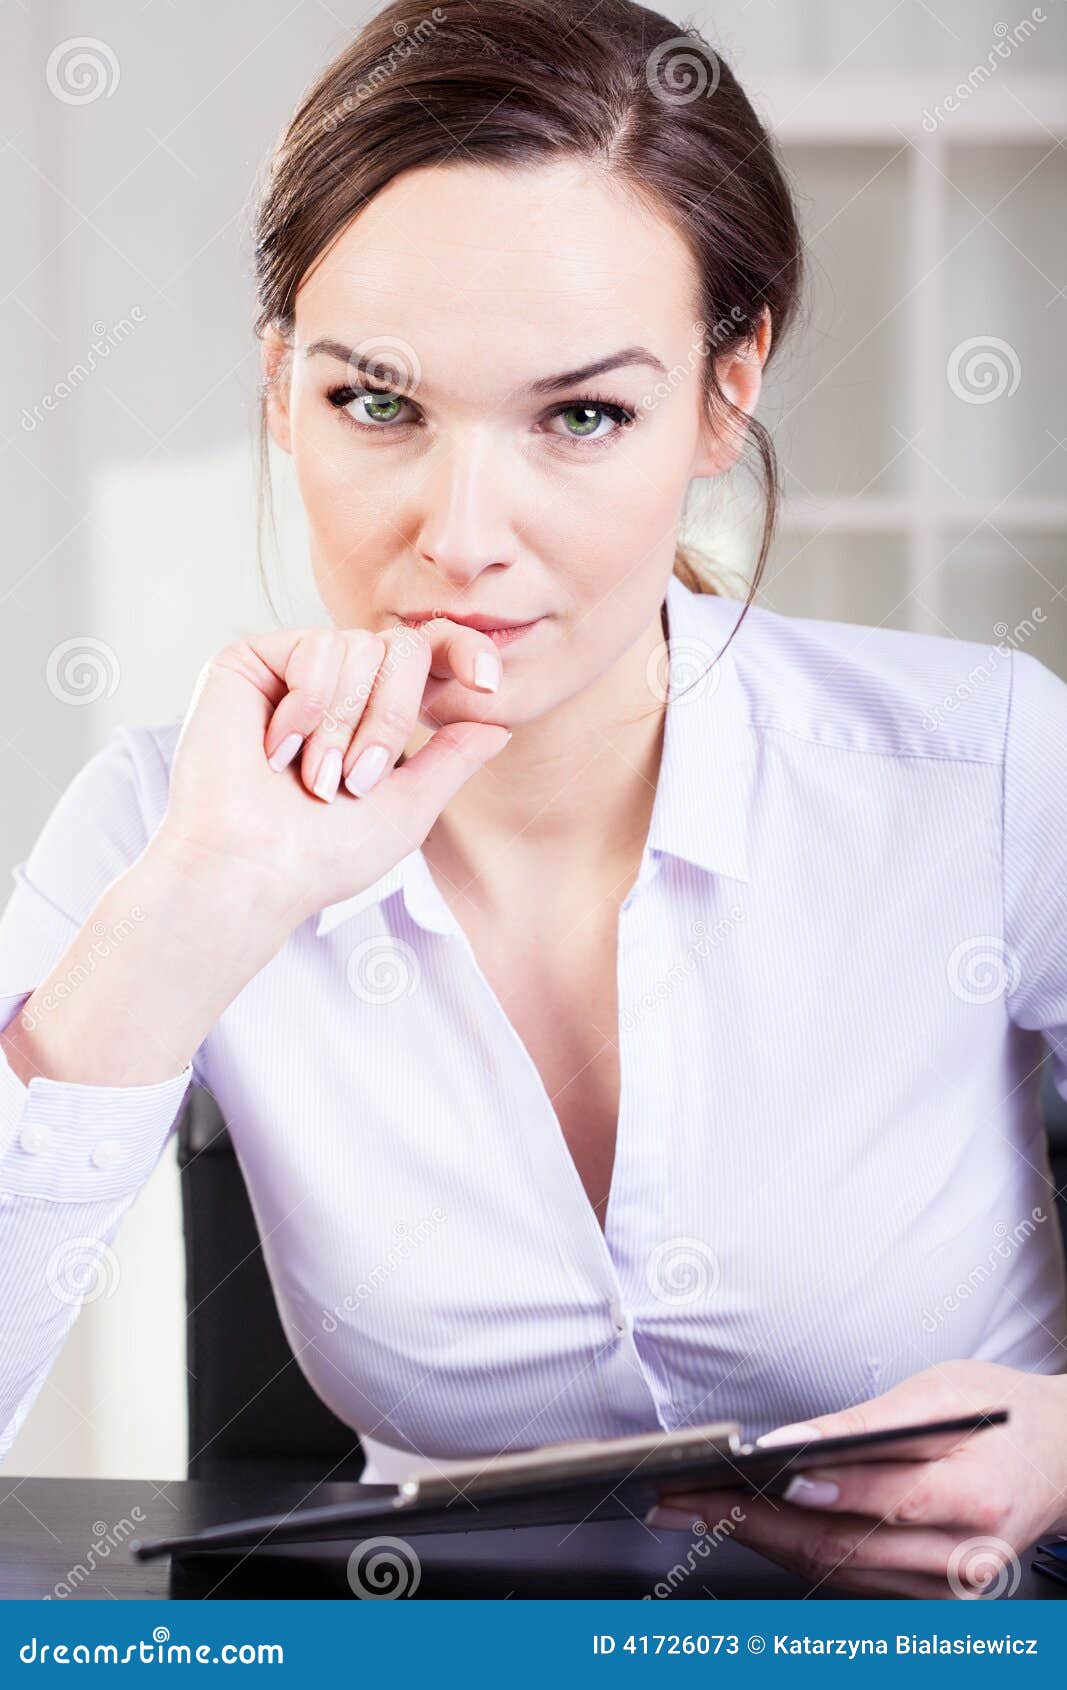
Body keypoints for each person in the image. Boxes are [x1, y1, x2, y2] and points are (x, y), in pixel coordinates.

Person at [1, 0, 1065, 1598]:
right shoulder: (173, 817)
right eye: (376, 404)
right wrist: (202, 906)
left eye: (581, 415)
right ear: (283, 387)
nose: (462, 532)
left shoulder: (979, 766)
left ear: (727, 391)